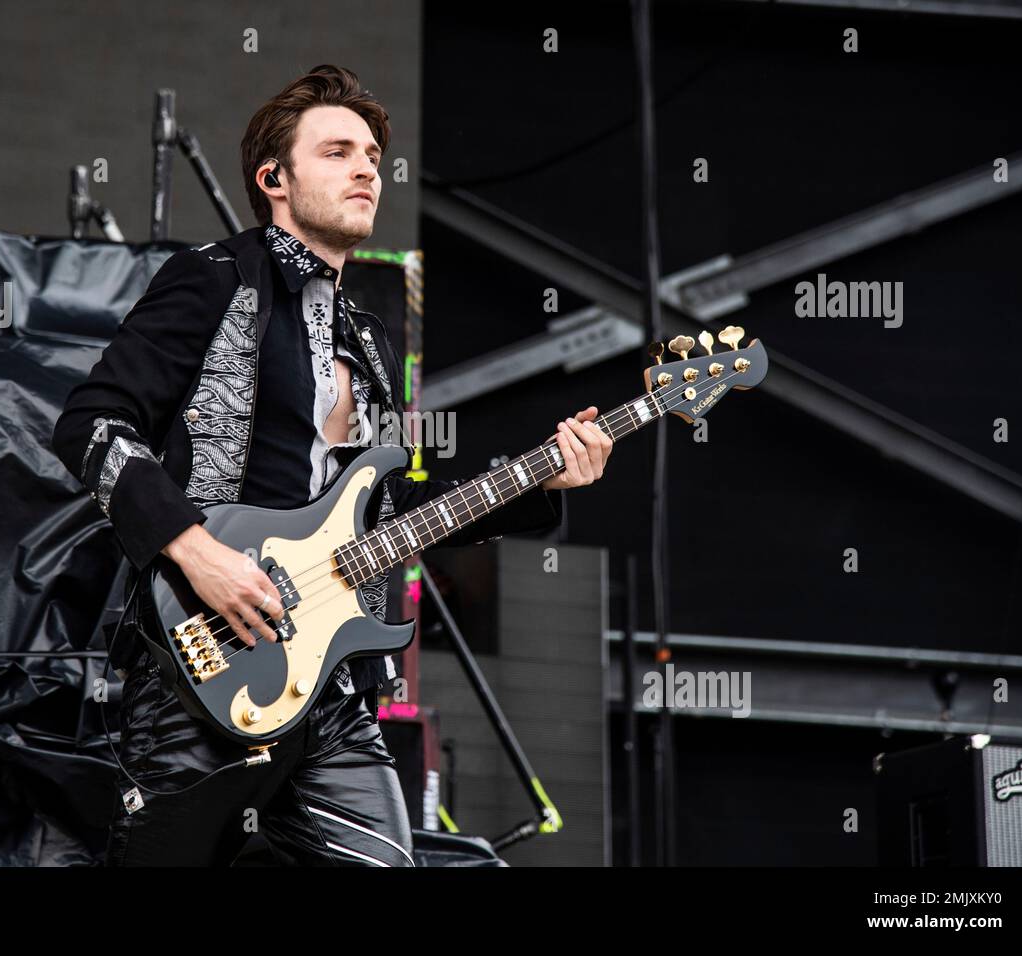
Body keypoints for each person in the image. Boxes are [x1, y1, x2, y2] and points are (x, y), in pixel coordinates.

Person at [50, 64, 614, 866]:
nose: (365, 169)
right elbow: (92, 425)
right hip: (202, 659)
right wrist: (194, 551)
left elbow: (396, 512)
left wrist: (542, 482)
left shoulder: (374, 339)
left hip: (333, 689)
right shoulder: (214, 281)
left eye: (374, 158)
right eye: (339, 151)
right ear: (273, 178)